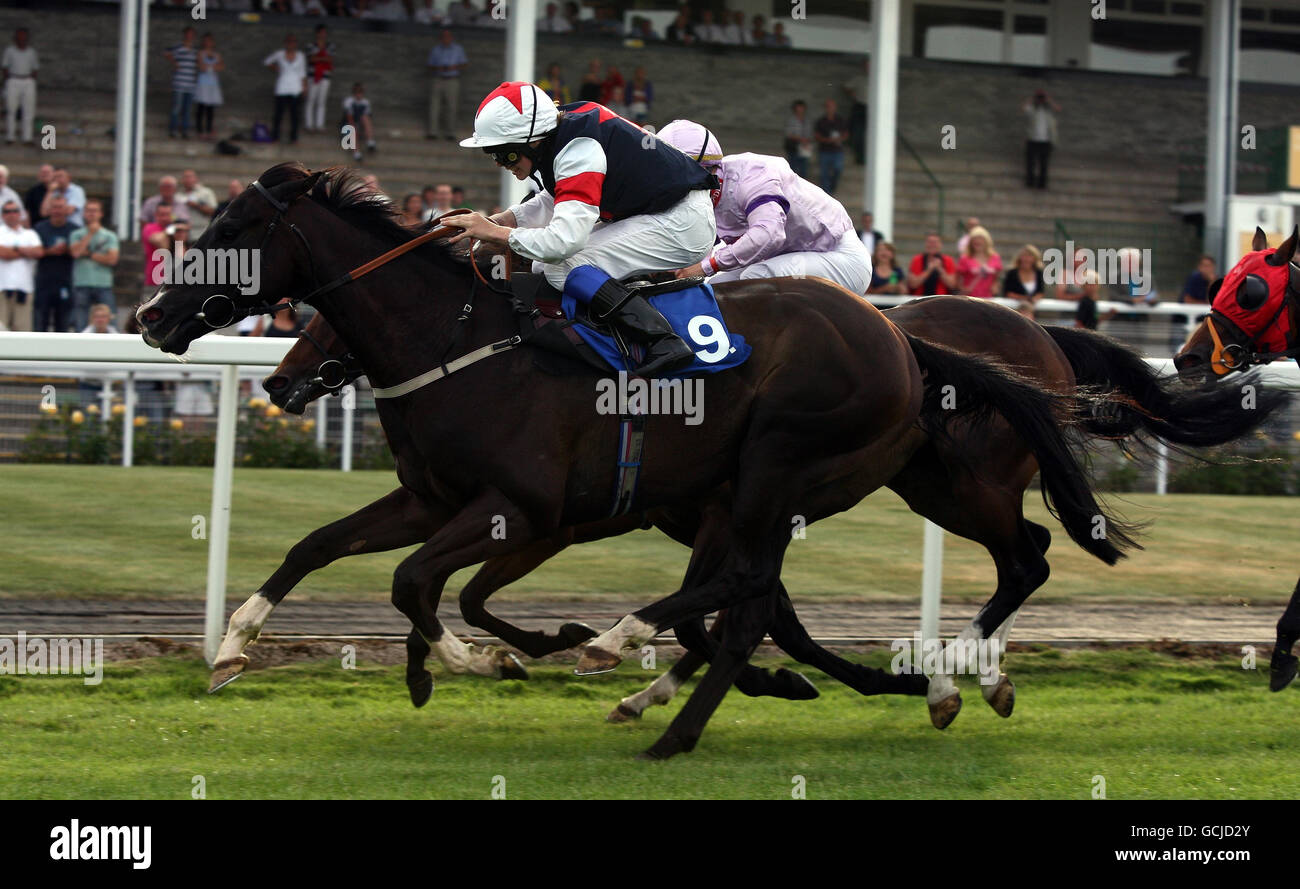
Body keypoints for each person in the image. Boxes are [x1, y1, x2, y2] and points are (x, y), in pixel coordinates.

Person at [446, 82, 718, 376]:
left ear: (532, 140)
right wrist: (503, 221)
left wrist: (494, 234)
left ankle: (663, 341)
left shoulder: (578, 149)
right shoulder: (563, 129)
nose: (500, 163)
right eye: (493, 154)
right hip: (661, 212)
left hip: (681, 223)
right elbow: (555, 198)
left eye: (506, 154)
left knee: (564, 267)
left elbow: (563, 243)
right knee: (545, 266)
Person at [657, 119, 874, 296]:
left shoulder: (753, 175)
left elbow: (769, 235)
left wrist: (707, 266)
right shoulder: (708, 188)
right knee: (712, 288)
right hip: (797, 256)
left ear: (702, 170)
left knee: (754, 276)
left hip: (840, 258)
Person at [69, 199, 119, 333]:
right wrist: (90, 233)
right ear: (84, 214)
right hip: (82, 282)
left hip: (103, 283)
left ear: (101, 214)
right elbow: (76, 253)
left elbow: (112, 259)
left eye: (94, 211)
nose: (91, 214)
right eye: (88, 211)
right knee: (80, 321)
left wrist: (89, 254)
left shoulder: (110, 236)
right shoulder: (76, 234)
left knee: (111, 321)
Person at [32, 196, 75, 332]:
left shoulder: (74, 229)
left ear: (66, 210)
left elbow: (77, 251)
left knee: (62, 323)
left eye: (60, 207)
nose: (57, 211)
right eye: (55, 207)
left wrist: (66, 249)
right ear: (50, 209)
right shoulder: (40, 228)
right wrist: (51, 250)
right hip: (43, 282)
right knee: (40, 323)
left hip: (65, 281)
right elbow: (35, 251)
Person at [0, 199, 41, 330]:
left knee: (22, 330)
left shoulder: (30, 234)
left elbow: (39, 252)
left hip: (24, 288)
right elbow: (4, 254)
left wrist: (14, 249)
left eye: (15, 211)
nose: (11, 214)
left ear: (20, 214)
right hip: (2, 288)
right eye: (7, 211)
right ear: (3, 215)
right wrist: (25, 251)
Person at [264, 34, 307, 145]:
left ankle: (294, 138)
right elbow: (267, 62)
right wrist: (276, 68)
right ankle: (275, 137)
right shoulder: (279, 54)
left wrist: (304, 87)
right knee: (278, 114)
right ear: (285, 43)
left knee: (295, 115)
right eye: (289, 42)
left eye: (293, 42)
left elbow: (302, 73)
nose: (291, 44)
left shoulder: (300, 56)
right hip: (282, 87)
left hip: (295, 88)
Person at [426, 30, 467, 141]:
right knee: (434, 106)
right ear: (440, 38)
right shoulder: (435, 50)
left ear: (451, 38)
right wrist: (438, 68)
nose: (446, 39)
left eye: (448, 36)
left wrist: (453, 67)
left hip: (452, 80)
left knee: (451, 107)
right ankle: (432, 132)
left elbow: (464, 63)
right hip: (438, 79)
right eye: (444, 36)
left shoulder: (458, 50)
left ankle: (450, 132)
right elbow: (429, 65)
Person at [3, 28, 38, 146]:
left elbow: (35, 68)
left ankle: (27, 138)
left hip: (27, 81)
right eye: (19, 36)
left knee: (29, 110)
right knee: (11, 109)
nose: (21, 39)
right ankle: (10, 136)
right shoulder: (9, 51)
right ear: (15, 38)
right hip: (13, 80)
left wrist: (31, 80)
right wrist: (8, 81)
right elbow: (5, 67)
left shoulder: (31, 52)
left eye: (23, 37)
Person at [165, 27, 198, 139]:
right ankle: (173, 129)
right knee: (177, 107)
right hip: (179, 82)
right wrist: (174, 63)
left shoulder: (195, 50)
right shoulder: (178, 47)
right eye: (188, 34)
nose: (190, 36)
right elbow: (166, 52)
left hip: (190, 84)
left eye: (192, 34)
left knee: (187, 109)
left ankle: (185, 130)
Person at [1022, 88, 1059, 189]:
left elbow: (1058, 109)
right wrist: (1033, 99)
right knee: (1031, 162)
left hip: (1046, 141)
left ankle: (1042, 184)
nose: (1040, 100)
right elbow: (1023, 109)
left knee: (1044, 163)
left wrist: (1048, 99)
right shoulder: (1032, 110)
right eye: (1039, 98)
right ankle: (1030, 182)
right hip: (1032, 140)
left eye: (1041, 98)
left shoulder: (1049, 111)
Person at [1000, 244, 1047, 317]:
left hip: (1032, 310)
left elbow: (1041, 291)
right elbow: (1007, 292)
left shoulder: (1038, 273)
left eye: (1030, 256)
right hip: (1014, 309)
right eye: (1024, 256)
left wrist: (1034, 300)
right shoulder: (1012, 273)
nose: (1026, 259)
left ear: (1034, 259)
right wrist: (1024, 298)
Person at [955, 225, 1002, 298]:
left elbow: (997, 277)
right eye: (975, 239)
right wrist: (963, 288)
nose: (978, 241)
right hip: (970, 298)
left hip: (988, 298)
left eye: (981, 239)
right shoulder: (965, 258)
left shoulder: (994, 258)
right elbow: (958, 280)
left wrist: (995, 286)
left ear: (986, 241)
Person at [194, 33, 224, 141]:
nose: (208, 43)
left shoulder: (216, 55)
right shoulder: (200, 53)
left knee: (210, 109)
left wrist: (210, 67)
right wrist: (212, 66)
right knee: (201, 107)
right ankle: (200, 130)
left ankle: (209, 129)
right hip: (203, 83)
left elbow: (221, 66)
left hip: (213, 84)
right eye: (206, 41)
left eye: (209, 41)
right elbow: (201, 66)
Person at [303, 25, 334, 134]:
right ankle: (309, 124)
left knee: (322, 101)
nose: (323, 35)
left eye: (324, 32)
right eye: (321, 32)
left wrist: (318, 58)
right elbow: (311, 59)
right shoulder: (310, 45)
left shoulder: (330, 46)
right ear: (317, 33)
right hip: (313, 75)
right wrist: (322, 58)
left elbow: (330, 59)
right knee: (311, 100)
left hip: (325, 76)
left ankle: (320, 124)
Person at [814, 98, 847, 195]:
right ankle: (827, 193)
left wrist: (839, 139)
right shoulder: (821, 121)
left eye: (832, 106)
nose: (830, 108)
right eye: (828, 106)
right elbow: (817, 135)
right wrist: (828, 140)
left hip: (837, 150)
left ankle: (832, 187)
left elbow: (846, 133)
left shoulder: (840, 120)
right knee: (824, 173)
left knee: (838, 169)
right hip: (825, 150)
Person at [176, 169, 217, 240]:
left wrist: (196, 205)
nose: (187, 179)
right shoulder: (178, 196)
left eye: (190, 177)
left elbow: (213, 211)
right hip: (182, 234)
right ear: (182, 180)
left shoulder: (206, 193)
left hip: (200, 232)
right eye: (185, 177)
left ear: (196, 179)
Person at [842, 58, 868, 166]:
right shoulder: (859, 78)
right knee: (858, 133)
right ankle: (860, 157)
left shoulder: (879, 78)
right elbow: (846, 86)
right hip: (861, 106)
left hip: (876, 108)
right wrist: (853, 95)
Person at [342, 82, 376, 160]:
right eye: (357, 92)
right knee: (352, 128)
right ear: (353, 93)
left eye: (360, 91)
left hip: (359, 125)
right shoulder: (348, 101)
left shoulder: (366, 102)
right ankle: (356, 152)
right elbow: (349, 118)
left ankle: (370, 141)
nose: (359, 94)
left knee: (365, 118)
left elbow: (368, 117)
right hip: (347, 126)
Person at [783, 99, 812, 180]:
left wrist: (806, 141)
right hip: (794, 146)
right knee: (793, 167)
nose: (800, 110)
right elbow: (788, 134)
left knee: (804, 169)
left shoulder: (807, 120)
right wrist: (801, 139)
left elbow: (809, 133)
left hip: (804, 146)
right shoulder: (791, 120)